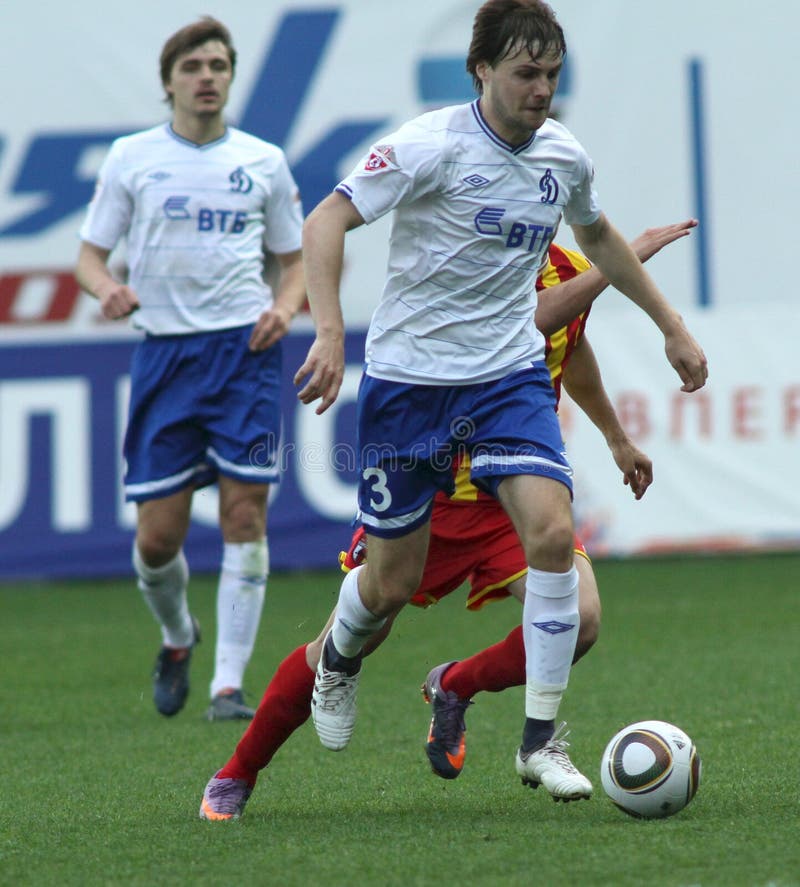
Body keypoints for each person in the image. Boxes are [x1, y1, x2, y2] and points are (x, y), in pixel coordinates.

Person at [293, 0, 707, 801]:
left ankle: (539, 738)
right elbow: (326, 221)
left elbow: (600, 238)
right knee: (391, 582)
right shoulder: (430, 145)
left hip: (508, 376)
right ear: (480, 69)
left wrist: (670, 325)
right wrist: (330, 331)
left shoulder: (563, 156)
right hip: (410, 383)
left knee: (553, 533)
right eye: (525, 73)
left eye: (552, 74)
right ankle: (338, 659)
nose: (541, 89)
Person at [199, 220, 693, 820]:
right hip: (428, 492)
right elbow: (525, 323)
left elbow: (570, 341)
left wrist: (615, 437)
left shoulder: (567, 267)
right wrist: (620, 262)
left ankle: (458, 685)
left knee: (582, 619)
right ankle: (238, 770)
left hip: (505, 496)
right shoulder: (462, 264)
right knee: (353, 633)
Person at [74, 17, 305, 721]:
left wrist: (286, 308)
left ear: (231, 77)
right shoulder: (132, 158)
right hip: (166, 356)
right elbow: (89, 255)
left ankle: (227, 686)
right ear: (169, 80)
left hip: (247, 355)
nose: (207, 77)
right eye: (193, 66)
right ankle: (179, 636)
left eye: (218, 65)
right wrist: (106, 288)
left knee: (245, 513)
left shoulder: (264, 161)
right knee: (156, 540)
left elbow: (294, 262)